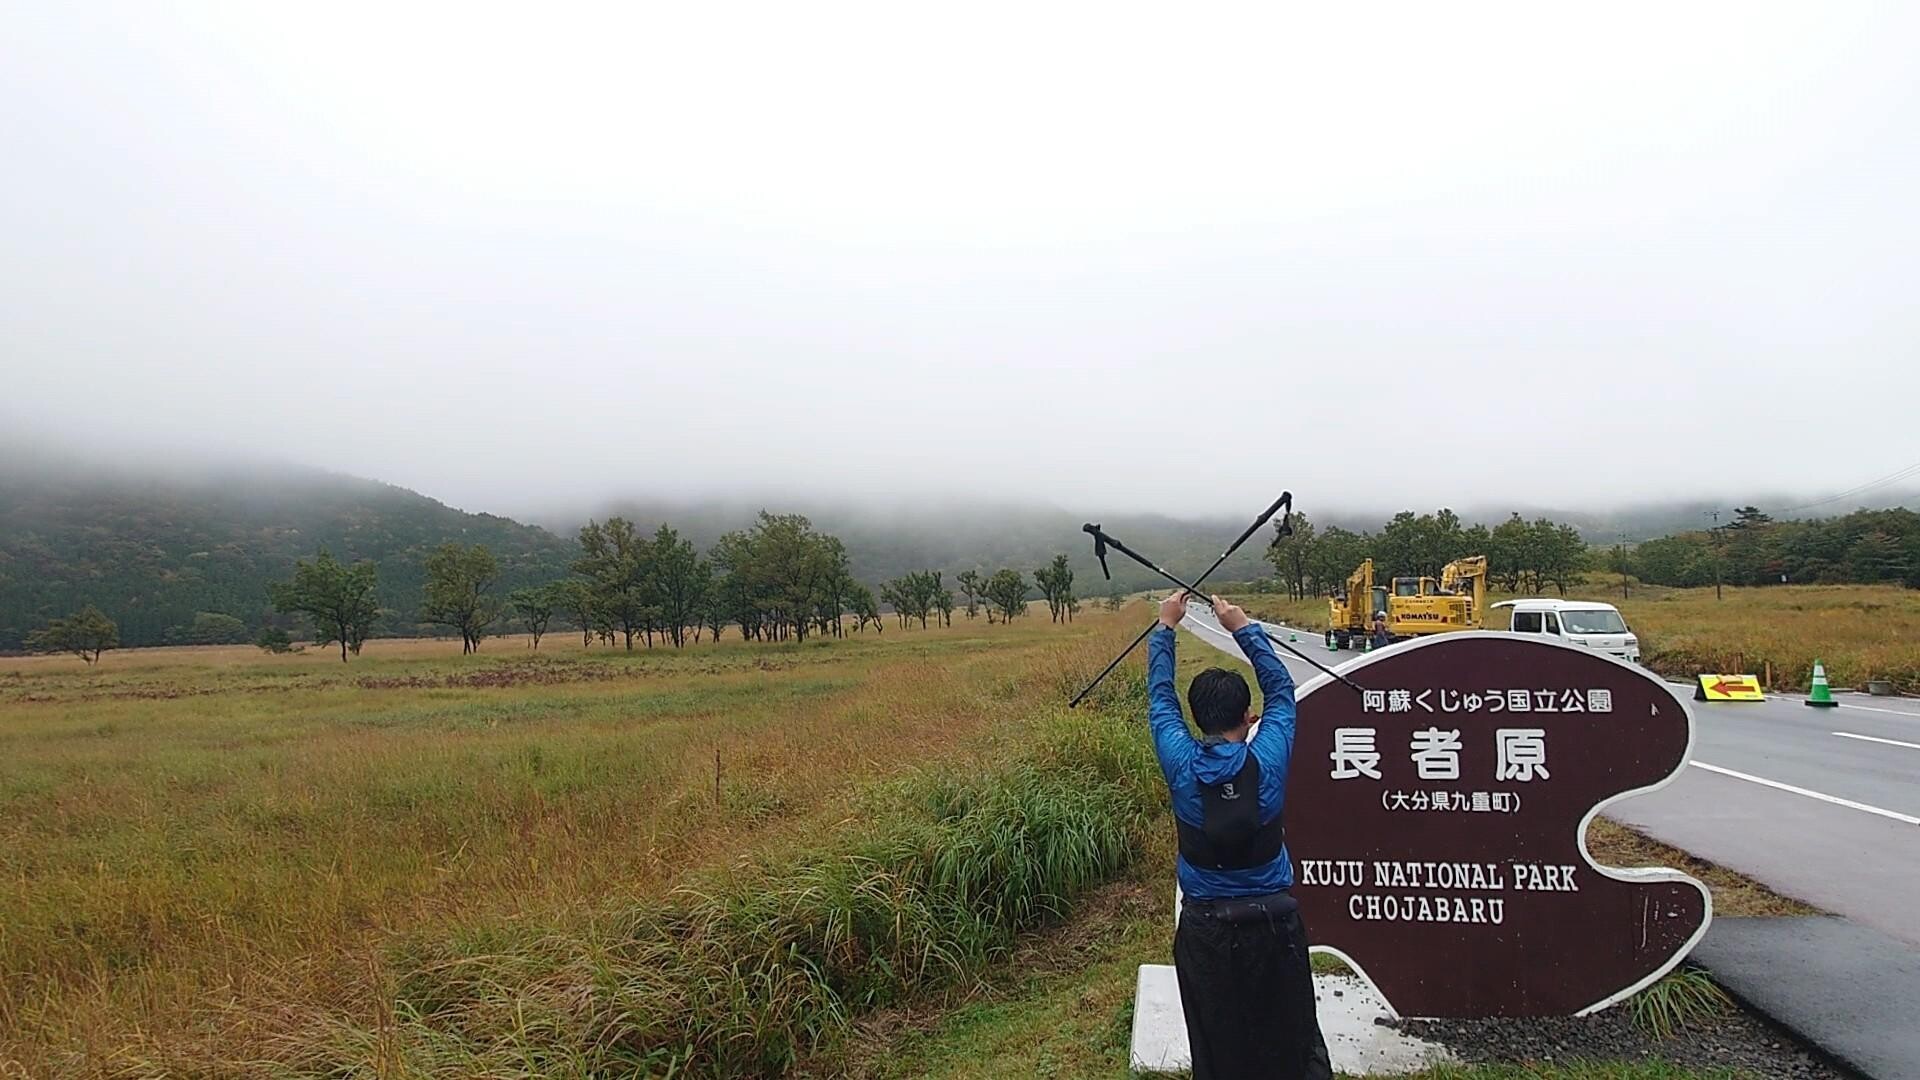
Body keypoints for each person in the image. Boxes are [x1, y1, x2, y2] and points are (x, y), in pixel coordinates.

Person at [1149, 591, 1330, 1080]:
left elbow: (1159, 697)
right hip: (1276, 923)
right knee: (1292, 1036)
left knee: (1217, 1040)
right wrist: (1242, 626)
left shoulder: (1180, 760)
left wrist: (1166, 627)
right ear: (1248, 716)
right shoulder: (1268, 754)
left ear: (1195, 718)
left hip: (1206, 927)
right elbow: (1282, 692)